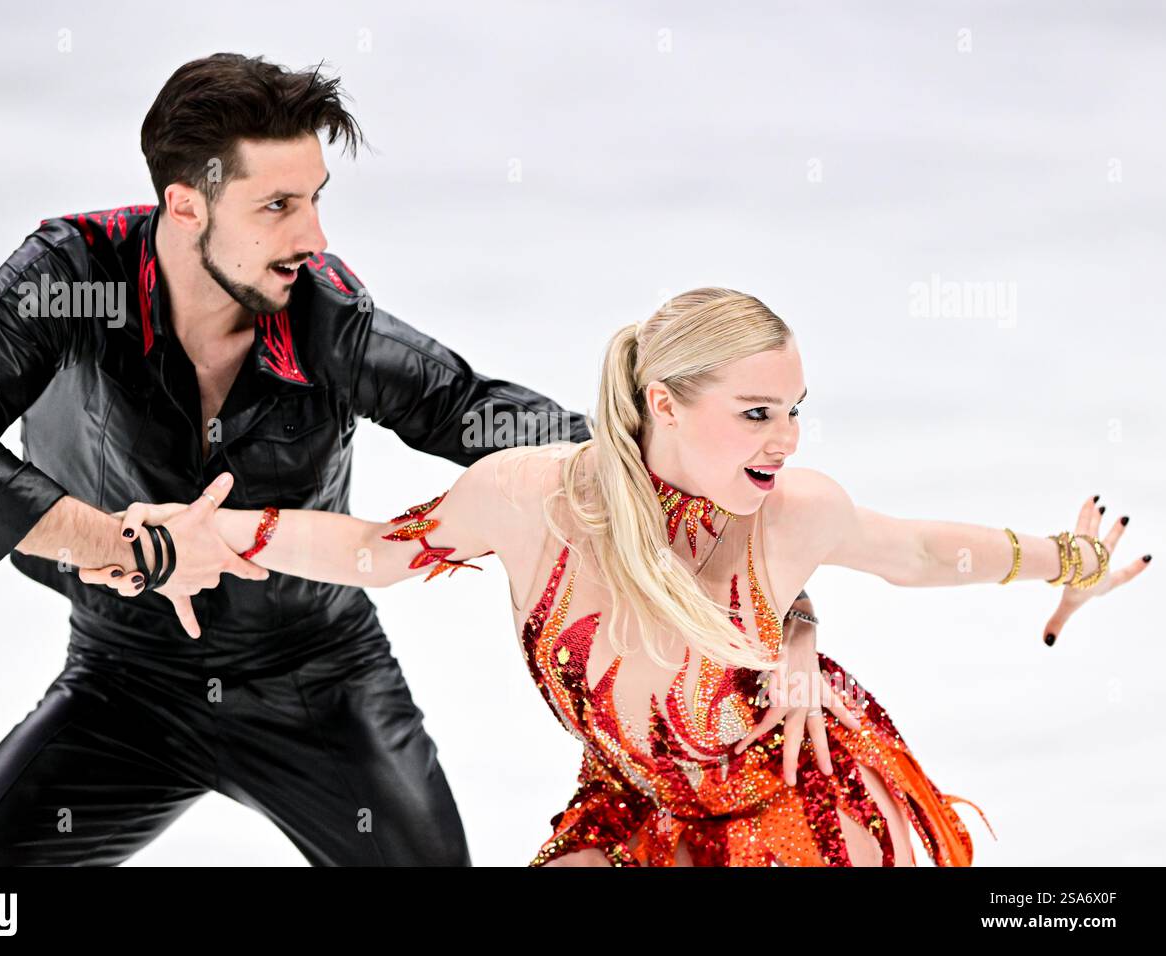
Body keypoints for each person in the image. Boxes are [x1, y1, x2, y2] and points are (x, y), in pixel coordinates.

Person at [82, 287, 1149, 867]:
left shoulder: (793, 510)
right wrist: (220, 537)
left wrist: (1074, 561)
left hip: (801, 801)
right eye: (756, 411)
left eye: (794, 408)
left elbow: (919, 553)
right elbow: (374, 553)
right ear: (664, 405)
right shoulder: (528, 495)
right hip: (638, 806)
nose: (786, 437)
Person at [0, 52, 608, 866]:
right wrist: (131, 549)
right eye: (278, 205)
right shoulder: (74, 276)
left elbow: (467, 411)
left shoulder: (326, 315)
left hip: (317, 680)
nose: (314, 236)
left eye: (316, 199)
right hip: (125, 681)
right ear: (186, 205)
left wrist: (651, 454)